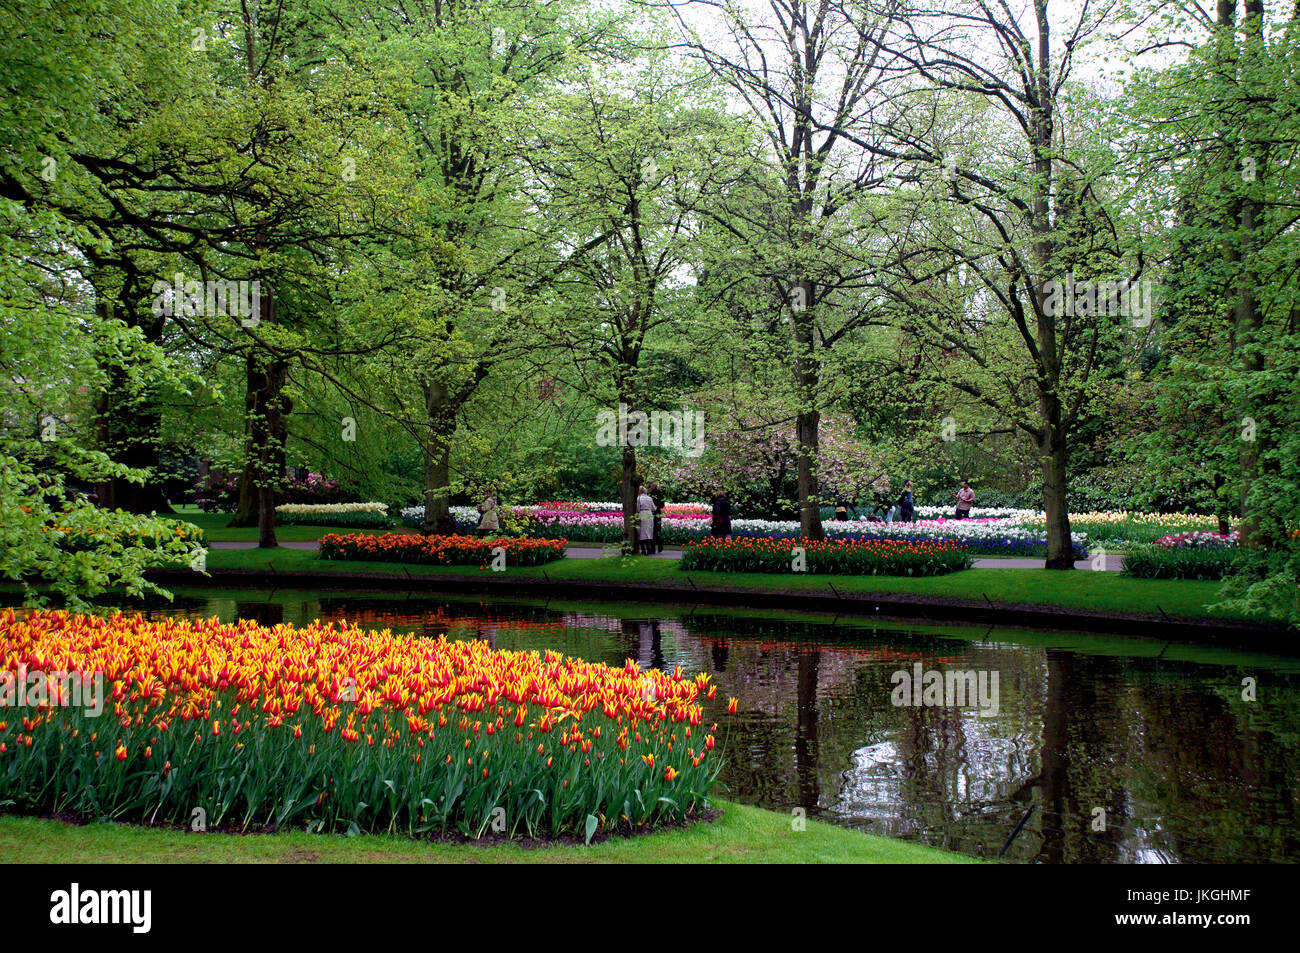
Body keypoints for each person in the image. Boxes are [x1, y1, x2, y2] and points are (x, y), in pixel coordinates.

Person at [636, 483, 656, 555]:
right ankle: (649, 548)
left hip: (643, 514)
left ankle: (643, 550)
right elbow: (654, 508)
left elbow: (637, 509)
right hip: (649, 514)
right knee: (649, 532)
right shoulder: (649, 498)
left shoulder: (639, 498)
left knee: (642, 532)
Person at [649, 482, 666, 553]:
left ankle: (653, 548)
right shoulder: (661, 494)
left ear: (653, 487)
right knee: (657, 530)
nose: (650, 487)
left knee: (652, 531)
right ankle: (659, 545)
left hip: (652, 513)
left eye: (651, 486)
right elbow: (662, 505)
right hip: (658, 513)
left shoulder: (650, 495)